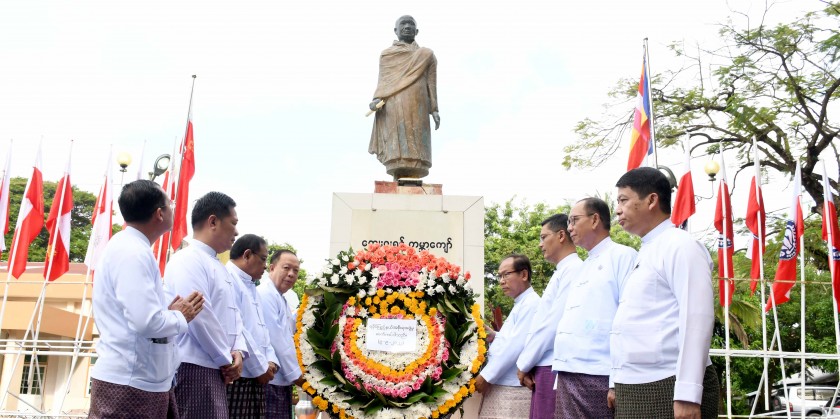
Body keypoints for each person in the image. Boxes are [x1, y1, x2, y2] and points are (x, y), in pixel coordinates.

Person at [89, 179, 204, 419]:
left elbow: (144, 315)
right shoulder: (132, 252)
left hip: (143, 379)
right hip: (130, 382)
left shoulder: (134, 248)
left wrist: (168, 313)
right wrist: (180, 316)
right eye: (170, 204)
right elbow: (146, 322)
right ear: (159, 214)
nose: (174, 208)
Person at [609, 167, 718, 419]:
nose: (617, 210)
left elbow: (697, 318)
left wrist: (688, 394)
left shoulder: (680, 245)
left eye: (624, 200)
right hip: (634, 385)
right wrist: (616, 380)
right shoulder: (646, 251)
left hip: (669, 383)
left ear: (651, 200)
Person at [165, 191, 248, 419]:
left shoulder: (219, 266)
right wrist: (226, 358)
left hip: (217, 366)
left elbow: (234, 315)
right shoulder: (188, 259)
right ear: (213, 221)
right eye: (233, 223)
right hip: (195, 365)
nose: (237, 232)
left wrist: (238, 351)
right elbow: (199, 317)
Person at [552, 197, 637, 418]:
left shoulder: (623, 256)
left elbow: (629, 320)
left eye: (574, 220)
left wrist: (616, 380)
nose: (569, 227)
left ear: (595, 219)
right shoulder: (582, 266)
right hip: (568, 370)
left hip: (598, 374)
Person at [515, 214, 582, 418]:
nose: (540, 244)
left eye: (544, 237)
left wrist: (524, 364)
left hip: (551, 364)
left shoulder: (574, 270)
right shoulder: (563, 271)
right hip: (542, 364)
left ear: (561, 235)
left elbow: (553, 325)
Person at [368, 14, 440, 180]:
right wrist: (376, 100)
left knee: (417, 140)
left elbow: (432, 82)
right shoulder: (387, 55)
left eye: (411, 24)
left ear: (417, 30)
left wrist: (434, 109)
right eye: (403, 24)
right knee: (397, 138)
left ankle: (416, 168)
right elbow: (384, 82)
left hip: (419, 102)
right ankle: (397, 167)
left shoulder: (427, 55)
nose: (407, 26)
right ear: (396, 30)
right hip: (395, 103)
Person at [476, 254, 541, 419]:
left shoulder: (531, 304)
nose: (501, 281)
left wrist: (486, 376)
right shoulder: (521, 303)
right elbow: (511, 341)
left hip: (512, 391)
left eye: (506, 274)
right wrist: (494, 336)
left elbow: (515, 347)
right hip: (504, 386)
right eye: (499, 276)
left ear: (524, 275)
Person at [225, 234, 278, 418]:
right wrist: (260, 367)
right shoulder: (229, 279)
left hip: (258, 374)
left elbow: (263, 331)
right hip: (241, 376)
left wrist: (270, 362)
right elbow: (239, 329)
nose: (265, 265)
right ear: (247, 255)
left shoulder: (252, 286)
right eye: (263, 259)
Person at [258, 249, 305, 419]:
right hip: (270, 379)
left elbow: (289, 330)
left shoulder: (280, 298)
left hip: (281, 381)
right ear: (271, 268)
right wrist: (297, 376)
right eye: (286, 268)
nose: (291, 274)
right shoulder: (265, 294)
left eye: (295, 271)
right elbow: (277, 339)